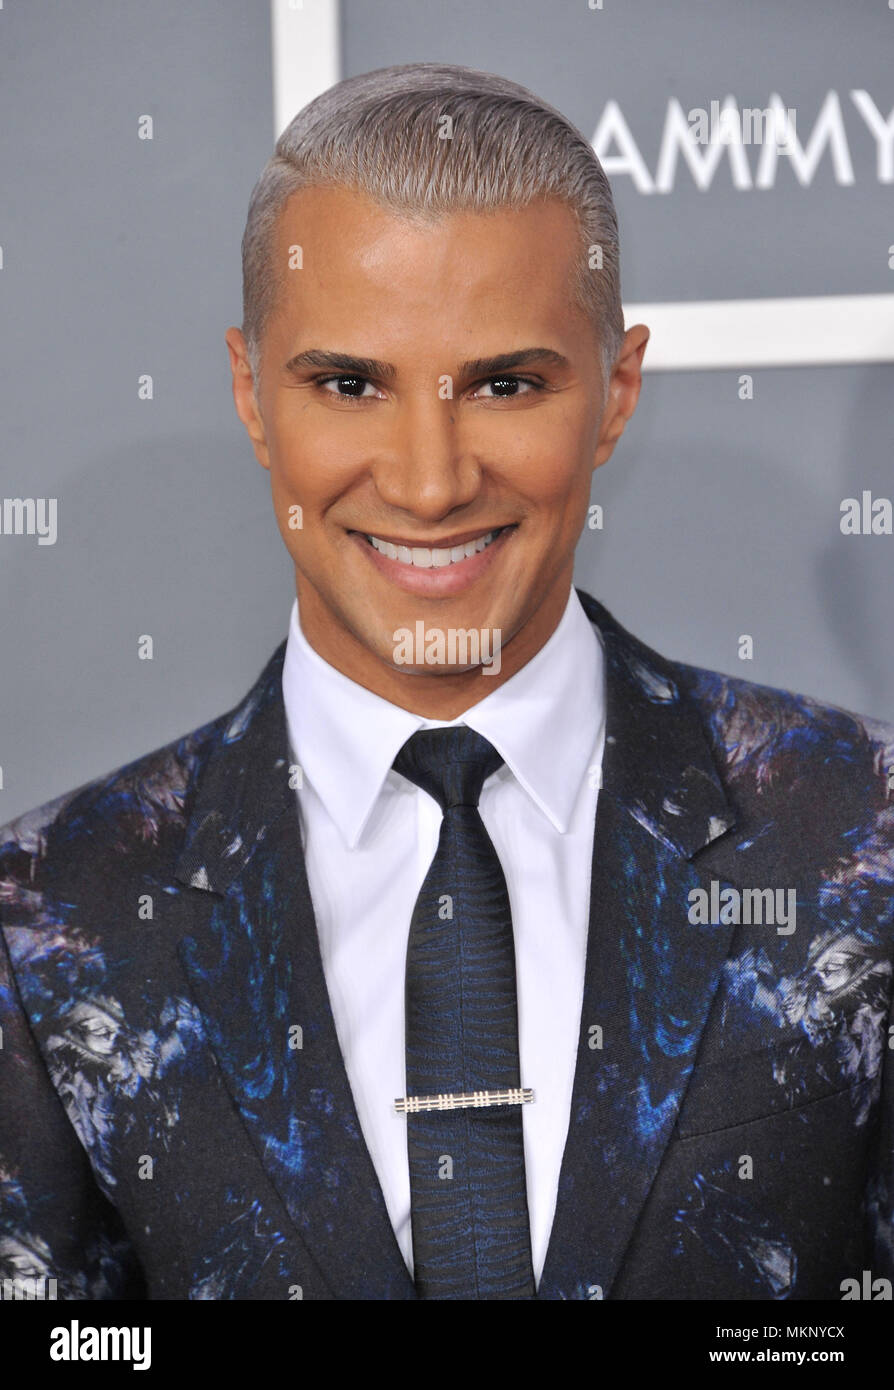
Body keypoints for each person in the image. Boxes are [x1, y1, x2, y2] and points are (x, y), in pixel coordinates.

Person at [0, 62, 891, 1303]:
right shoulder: (53, 913)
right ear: (252, 393)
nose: (429, 483)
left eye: (507, 384)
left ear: (617, 392)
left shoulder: (862, 832)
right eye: (350, 384)